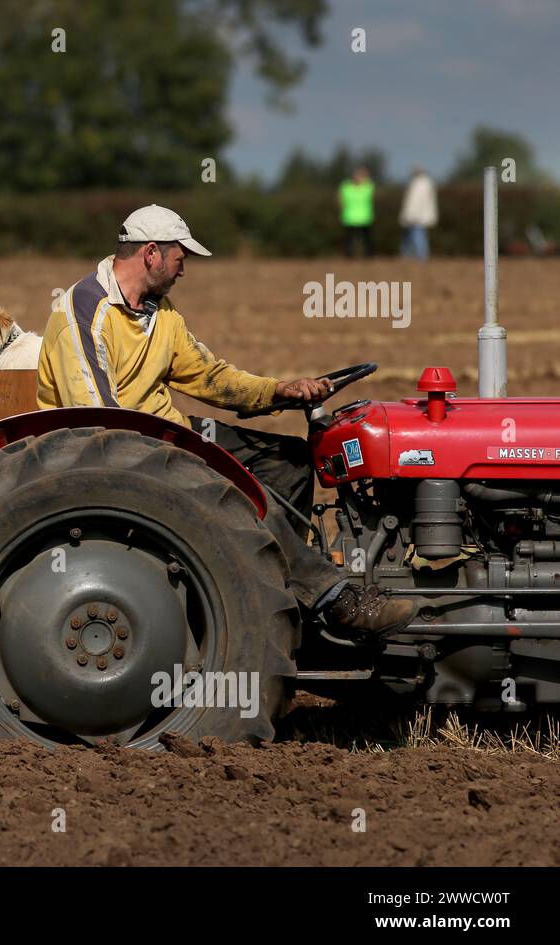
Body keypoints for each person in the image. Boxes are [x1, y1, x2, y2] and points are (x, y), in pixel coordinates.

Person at [36, 204, 415, 637]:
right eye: (181, 259)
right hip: (121, 450)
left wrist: (277, 391)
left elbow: (207, 375)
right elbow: (101, 424)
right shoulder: (85, 314)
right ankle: (333, 598)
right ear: (152, 254)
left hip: (164, 434)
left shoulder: (160, 312)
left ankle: (279, 589)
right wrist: (193, 466)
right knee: (246, 500)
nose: (183, 271)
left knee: (288, 460)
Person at [399, 166, 438, 261]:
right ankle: (408, 255)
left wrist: (412, 215)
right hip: (414, 215)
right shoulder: (419, 183)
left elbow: (417, 202)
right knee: (410, 236)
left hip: (417, 216)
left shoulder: (422, 184)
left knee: (418, 235)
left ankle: (421, 256)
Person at [339, 167, 375, 258]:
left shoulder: (367, 187)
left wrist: (365, 175)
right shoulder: (346, 187)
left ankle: (368, 256)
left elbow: (371, 186)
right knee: (349, 240)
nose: (358, 178)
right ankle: (348, 256)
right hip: (349, 217)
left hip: (365, 217)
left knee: (367, 240)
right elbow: (341, 200)